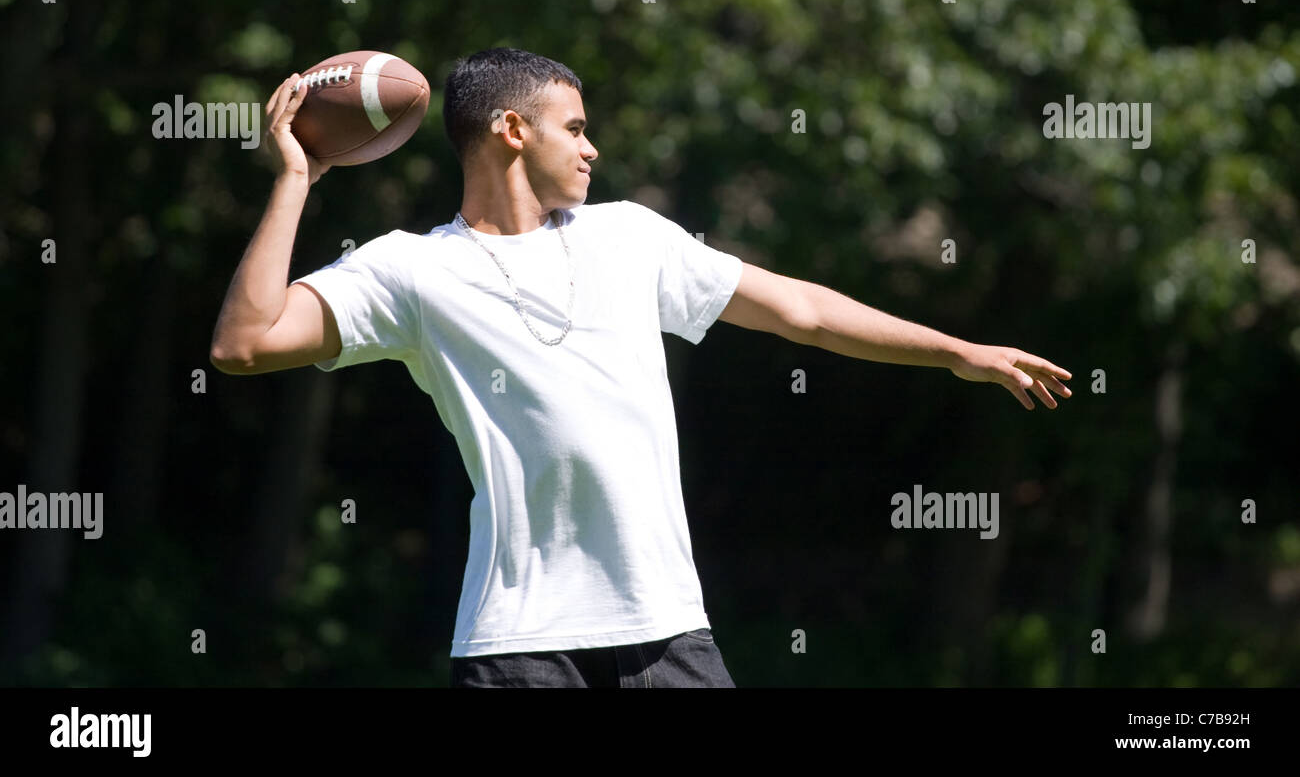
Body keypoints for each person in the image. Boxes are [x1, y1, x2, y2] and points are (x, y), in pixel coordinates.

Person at [209, 47, 1072, 688]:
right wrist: (298, 177)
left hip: (666, 633)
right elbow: (243, 344)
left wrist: (957, 350)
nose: (592, 150)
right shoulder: (410, 269)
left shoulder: (631, 236)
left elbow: (802, 312)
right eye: (576, 128)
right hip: (518, 645)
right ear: (512, 130)